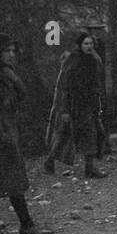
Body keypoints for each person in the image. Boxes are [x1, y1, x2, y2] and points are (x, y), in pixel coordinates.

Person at [0, 34, 52, 234]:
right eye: (6, 51)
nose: (11, 54)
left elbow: (17, 100)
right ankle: (14, 225)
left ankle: (13, 225)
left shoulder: (6, 73)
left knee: (12, 179)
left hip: (7, 131)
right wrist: (0, 134)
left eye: (12, 50)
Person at [45, 32, 108, 178]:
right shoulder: (72, 60)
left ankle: (90, 168)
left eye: (91, 44)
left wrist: (97, 103)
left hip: (88, 105)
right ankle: (49, 160)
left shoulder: (93, 60)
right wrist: (64, 110)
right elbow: (64, 86)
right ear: (80, 45)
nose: (89, 46)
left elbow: (96, 84)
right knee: (64, 136)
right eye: (86, 44)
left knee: (92, 134)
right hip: (73, 105)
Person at [83, 21, 113, 157]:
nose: (95, 33)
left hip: (99, 84)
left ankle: (104, 144)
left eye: (97, 30)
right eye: (92, 30)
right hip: (88, 86)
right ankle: (93, 146)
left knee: (102, 112)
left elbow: (101, 64)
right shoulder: (84, 46)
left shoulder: (100, 45)